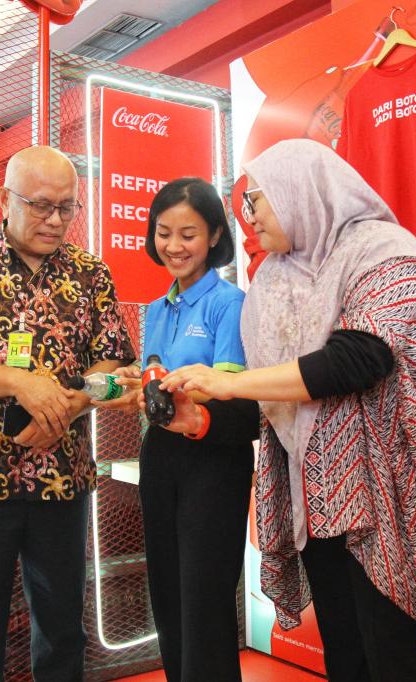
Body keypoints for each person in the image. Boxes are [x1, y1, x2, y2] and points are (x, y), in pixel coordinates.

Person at [160, 139, 416, 682]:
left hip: (393, 491)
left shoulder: (386, 251)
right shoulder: (273, 278)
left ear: (300, 192)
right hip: (316, 500)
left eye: (258, 201)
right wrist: (203, 408)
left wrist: (234, 385)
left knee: (403, 653)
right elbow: (269, 400)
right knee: (348, 653)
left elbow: (361, 357)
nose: (251, 218)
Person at [0, 145, 135, 682]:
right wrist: (22, 383)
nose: (55, 221)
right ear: (2, 199)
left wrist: (69, 403)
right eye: (40, 205)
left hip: (62, 476)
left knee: (63, 625)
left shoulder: (89, 274)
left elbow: (111, 358)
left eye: (67, 207)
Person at [121, 177, 257, 681]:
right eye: (163, 233)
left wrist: (173, 388)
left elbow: (231, 387)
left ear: (216, 236)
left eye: (188, 234)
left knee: (205, 597)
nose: (174, 246)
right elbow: (151, 386)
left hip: (213, 456)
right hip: (160, 454)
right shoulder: (154, 310)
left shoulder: (230, 303)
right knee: (169, 592)